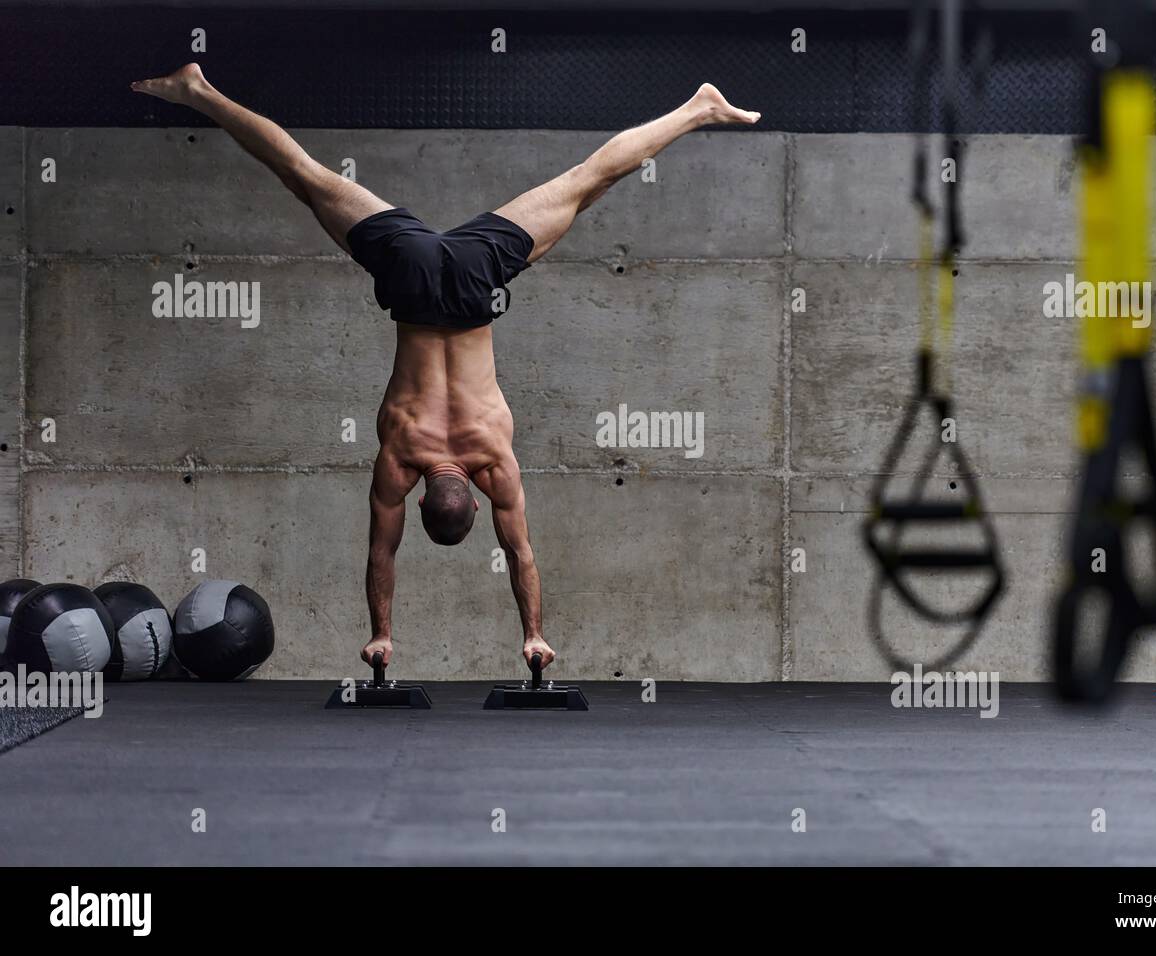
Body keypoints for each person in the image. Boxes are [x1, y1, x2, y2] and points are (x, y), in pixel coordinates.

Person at [131, 63, 760, 672]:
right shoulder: (399, 459)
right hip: (409, 276)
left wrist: (536, 635)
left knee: (586, 181)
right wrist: (379, 633)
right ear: (420, 495)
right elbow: (383, 551)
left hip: (474, 282)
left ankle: (696, 109)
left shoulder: (494, 460)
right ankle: (201, 92)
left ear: (477, 500)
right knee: (303, 175)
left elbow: (520, 554)